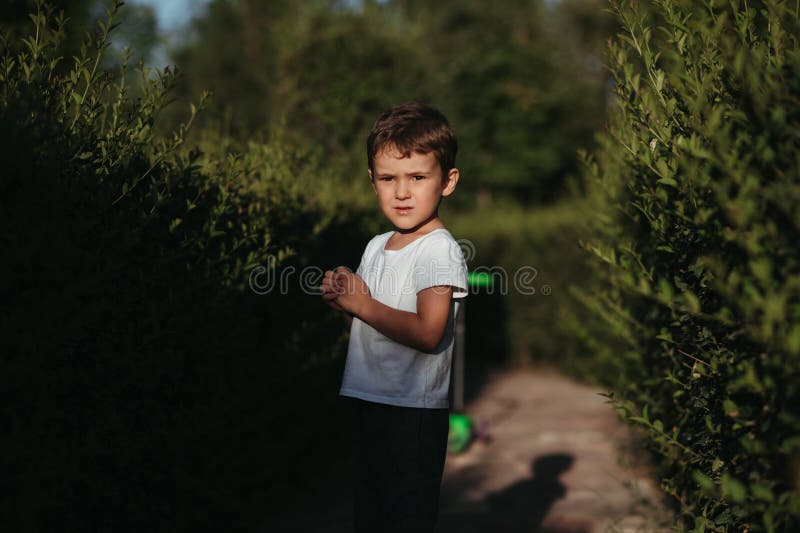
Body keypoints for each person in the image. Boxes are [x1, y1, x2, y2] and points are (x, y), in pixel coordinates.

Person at [320, 101, 469, 532]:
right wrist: (344, 303)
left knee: (405, 519)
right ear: (373, 182)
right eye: (388, 179)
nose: (402, 192)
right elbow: (367, 330)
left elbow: (427, 332)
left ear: (448, 181)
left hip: (412, 414)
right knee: (372, 515)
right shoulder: (376, 245)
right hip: (370, 401)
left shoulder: (439, 249)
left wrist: (362, 304)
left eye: (417, 177)